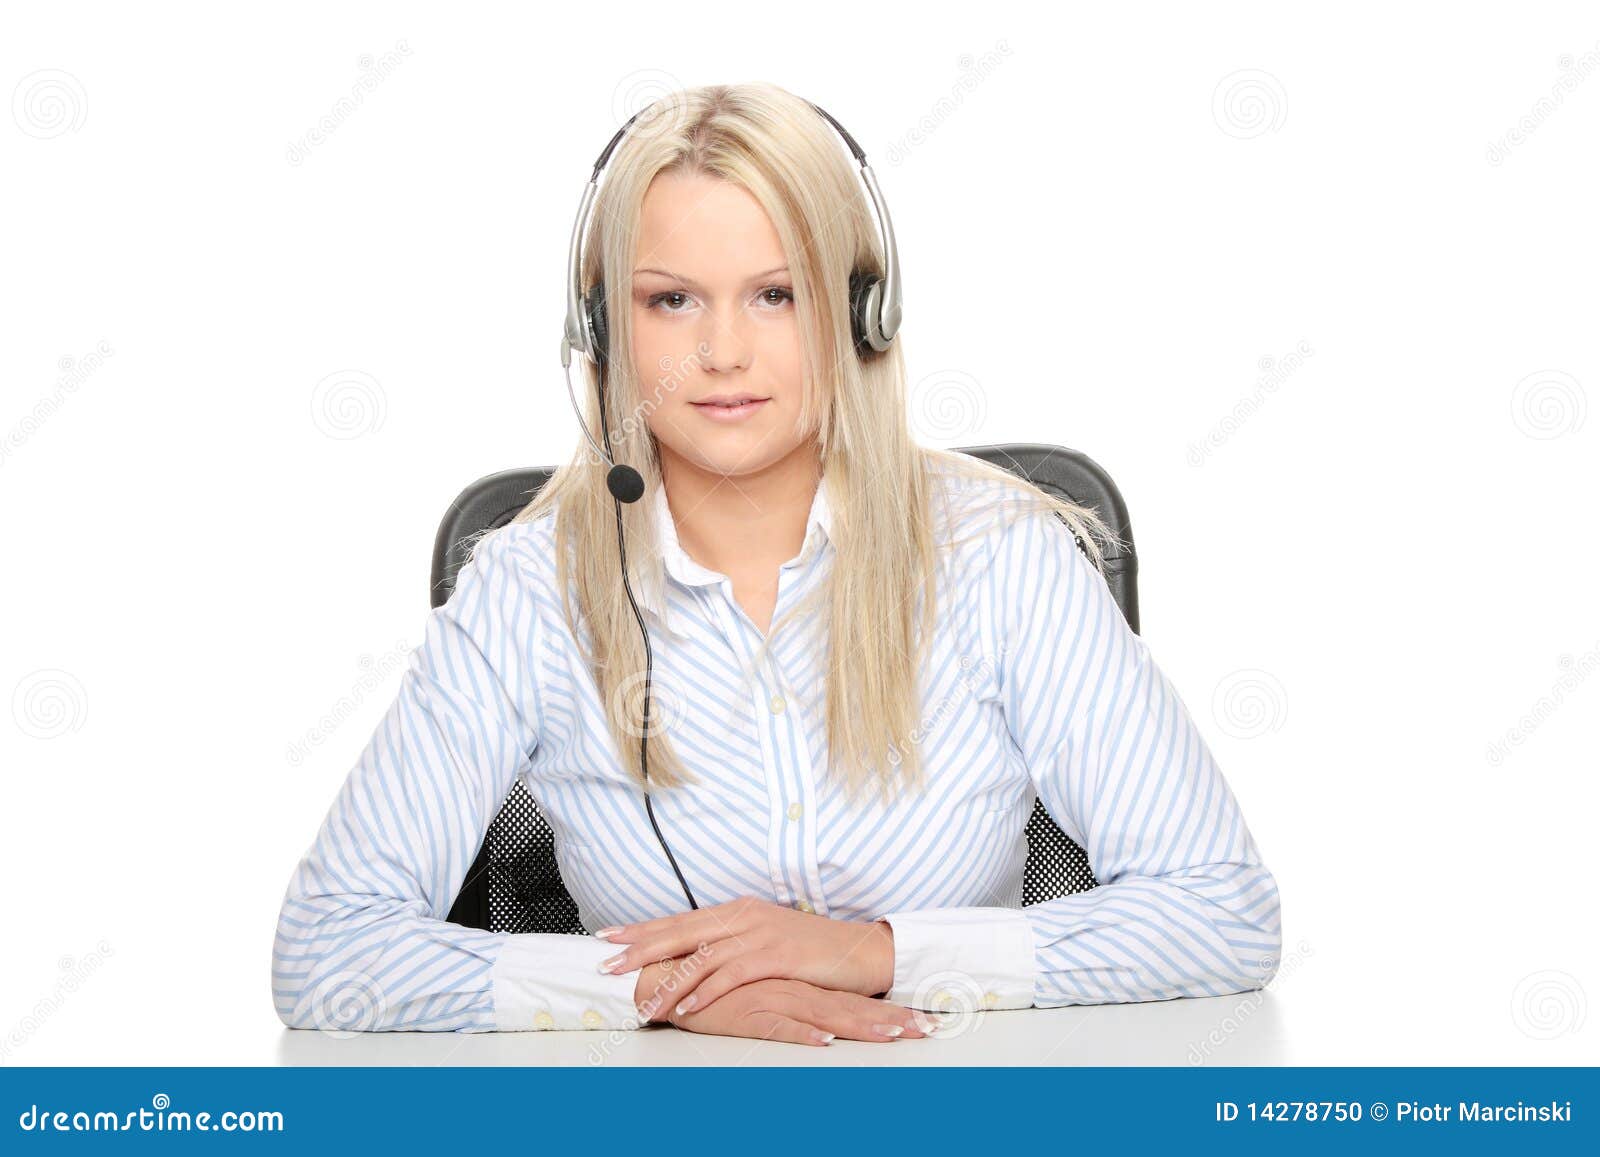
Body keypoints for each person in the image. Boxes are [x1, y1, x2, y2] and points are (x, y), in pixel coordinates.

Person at [271, 81, 1281, 1047]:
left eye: (774, 294)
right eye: (670, 300)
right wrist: (667, 992)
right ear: (599, 329)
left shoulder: (1002, 557)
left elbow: (1220, 908)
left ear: (860, 315)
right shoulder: (529, 588)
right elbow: (326, 950)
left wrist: (872, 954)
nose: (720, 350)